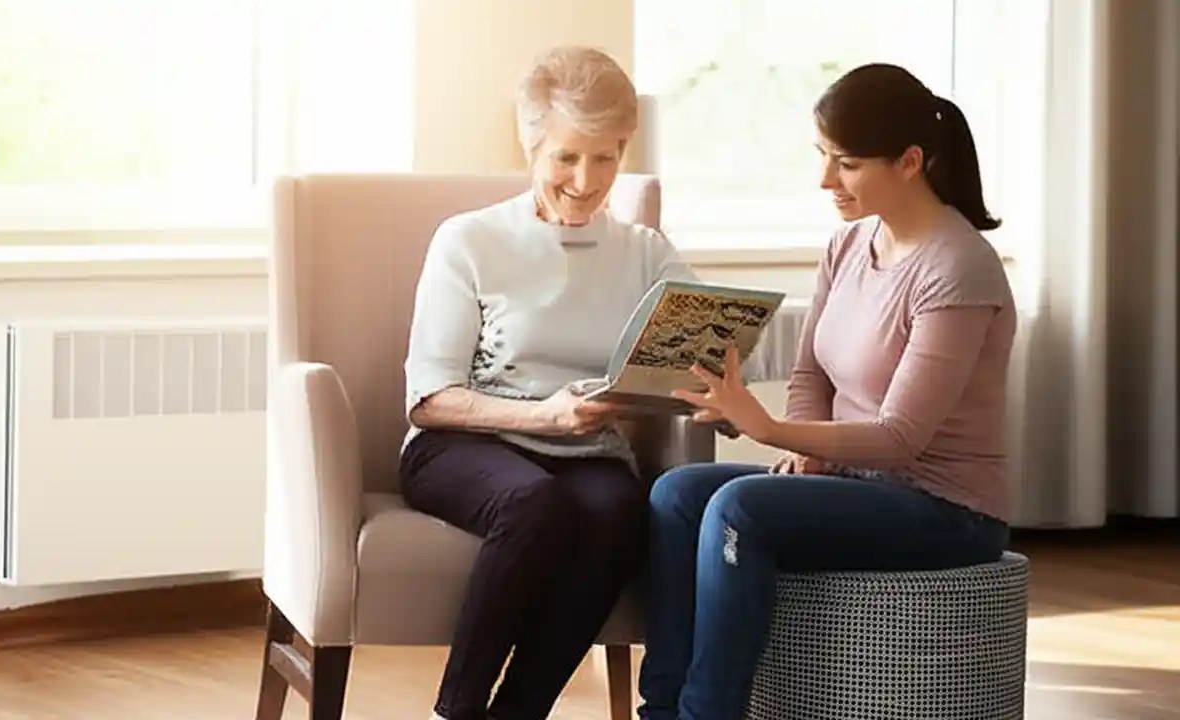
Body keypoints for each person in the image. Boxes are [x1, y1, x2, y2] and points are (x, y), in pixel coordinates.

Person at [636, 63, 1018, 720]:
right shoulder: (848, 245)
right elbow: (812, 373)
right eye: (822, 157)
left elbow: (901, 439)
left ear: (909, 162)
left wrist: (767, 429)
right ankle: (661, 710)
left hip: (945, 509)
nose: (824, 180)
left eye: (845, 163)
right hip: (855, 486)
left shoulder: (959, 269)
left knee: (739, 510)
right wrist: (806, 451)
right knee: (676, 494)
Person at [400, 45, 695, 720]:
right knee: (535, 503)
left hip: (589, 452)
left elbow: (710, 344)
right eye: (566, 156)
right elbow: (429, 398)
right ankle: (459, 710)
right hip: (462, 444)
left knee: (621, 512)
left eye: (606, 157)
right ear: (531, 144)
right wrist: (544, 418)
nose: (587, 180)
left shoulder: (646, 252)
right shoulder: (469, 240)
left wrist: (712, 393)